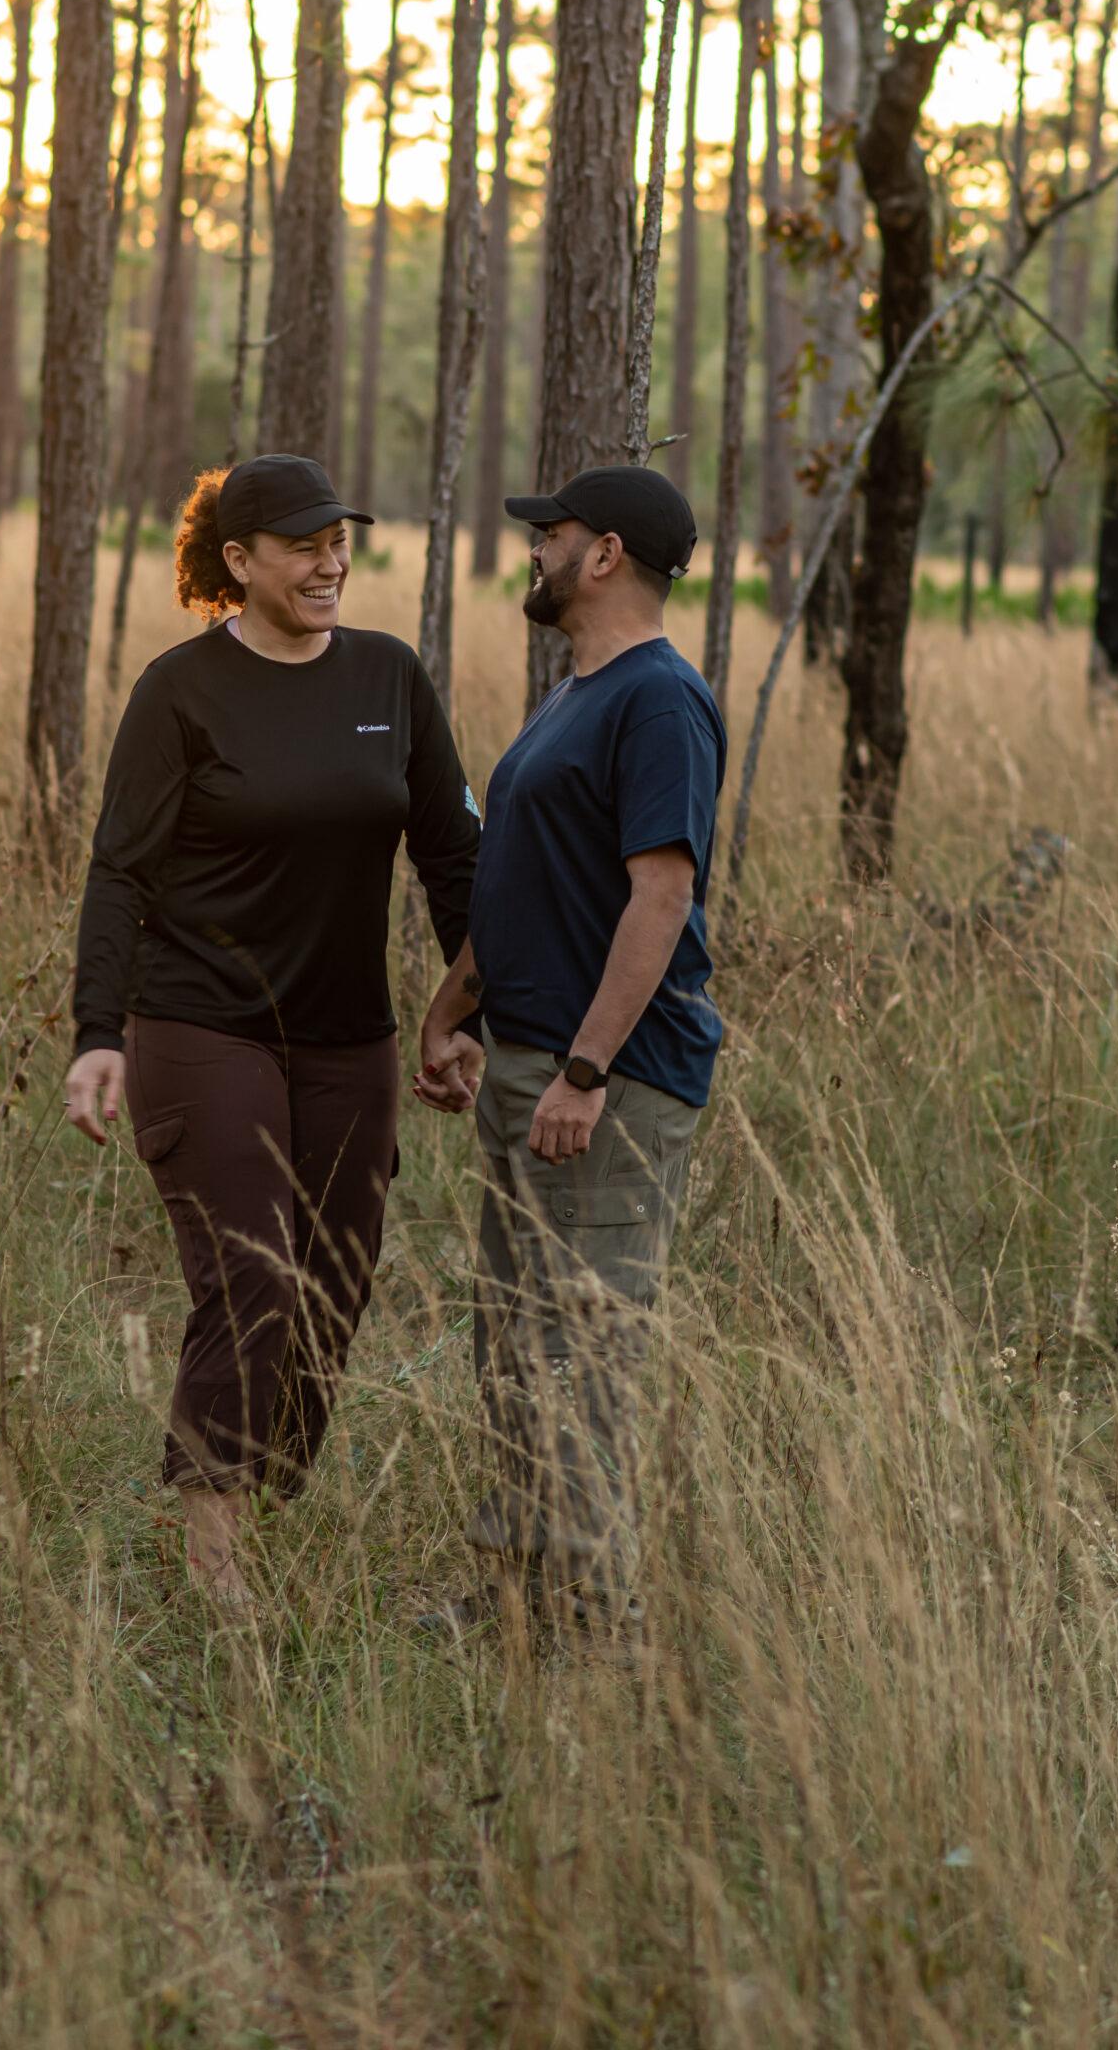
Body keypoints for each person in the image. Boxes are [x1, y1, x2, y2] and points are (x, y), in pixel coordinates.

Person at [65, 453, 482, 1611]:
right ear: (238, 562)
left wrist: (468, 1008)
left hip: (352, 1034)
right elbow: (120, 873)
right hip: (203, 1022)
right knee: (250, 1278)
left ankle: (254, 1480)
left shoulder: (391, 675)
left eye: (339, 538)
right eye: (301, 544)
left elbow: (451, 853)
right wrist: (99, 1031)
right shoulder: (181, 691)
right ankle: (216, 1566)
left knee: (333, 1285)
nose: (330, 559)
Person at [416, 464, 725, 1626]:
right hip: (524, 1063)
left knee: (583, 1353)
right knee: (513, 1337)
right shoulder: (576, 692)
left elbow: (659, 900)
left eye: (551, 534)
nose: (534, 550)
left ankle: (591, 1620)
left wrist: (588, 1071)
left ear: (604, 556)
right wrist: (452, 1009)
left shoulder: (659, 701)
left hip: (604, 1085)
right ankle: (508, 1590)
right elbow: (526, 879)